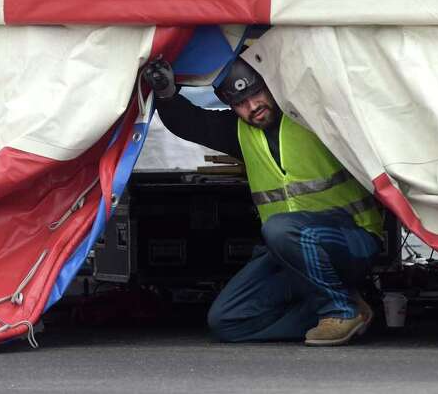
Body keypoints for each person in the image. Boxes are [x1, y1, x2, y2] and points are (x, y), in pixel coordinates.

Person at [141, 57, 384, 346]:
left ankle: (339, 310)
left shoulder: (312, 117)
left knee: (280, 229)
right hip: (288, 252)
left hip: (352, 240)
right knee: (226, 321)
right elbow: (192, 123)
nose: (252, 106)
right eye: (241, 103)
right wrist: (166, 94)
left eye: (256, 94)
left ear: (272, 86)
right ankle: (347, 308)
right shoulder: (239, 131)